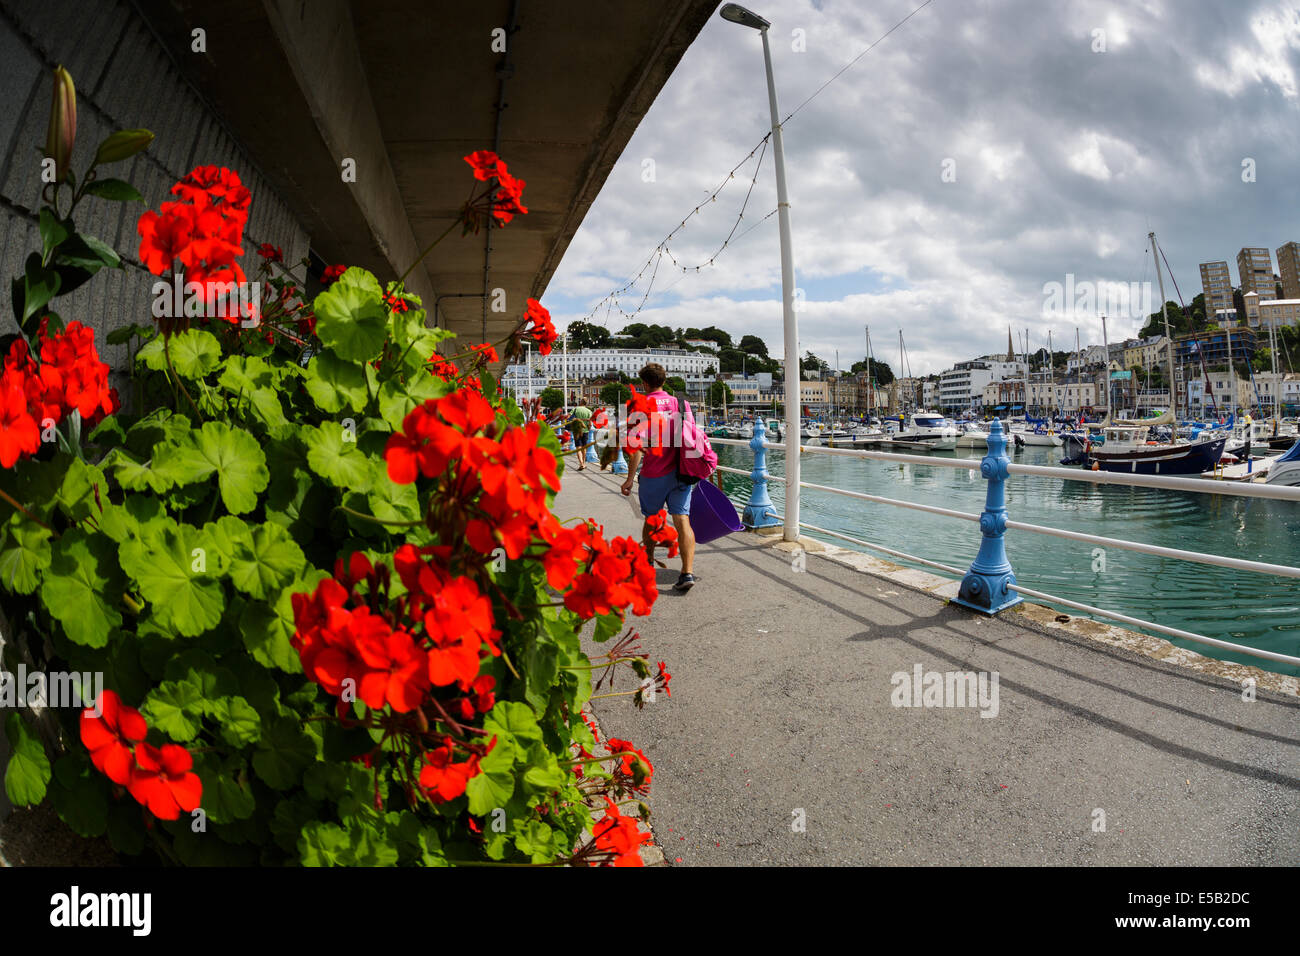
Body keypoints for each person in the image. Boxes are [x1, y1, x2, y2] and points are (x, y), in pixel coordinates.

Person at [620, 363, 697, 592]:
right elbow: (693, 438)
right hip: (682, 471)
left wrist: (629, 479)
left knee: (652, 519)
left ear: (644, 383)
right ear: (664, 380)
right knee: (682, 519)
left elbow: (635, 446)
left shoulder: (639, 405)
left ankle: (648, 563)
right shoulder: (681, 402)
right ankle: (687, 572)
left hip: (654, 473)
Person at [566, 404, 593, 471]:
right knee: (584, 448)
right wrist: (589, 428)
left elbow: (568, 417)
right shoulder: (589, 411)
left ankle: (581, 464)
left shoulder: (575, 409)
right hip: (585, 431)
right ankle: (584, 463)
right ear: (586, 404)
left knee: (578, 448)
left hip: (577, 431)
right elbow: (590, 422)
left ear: (580, 403)